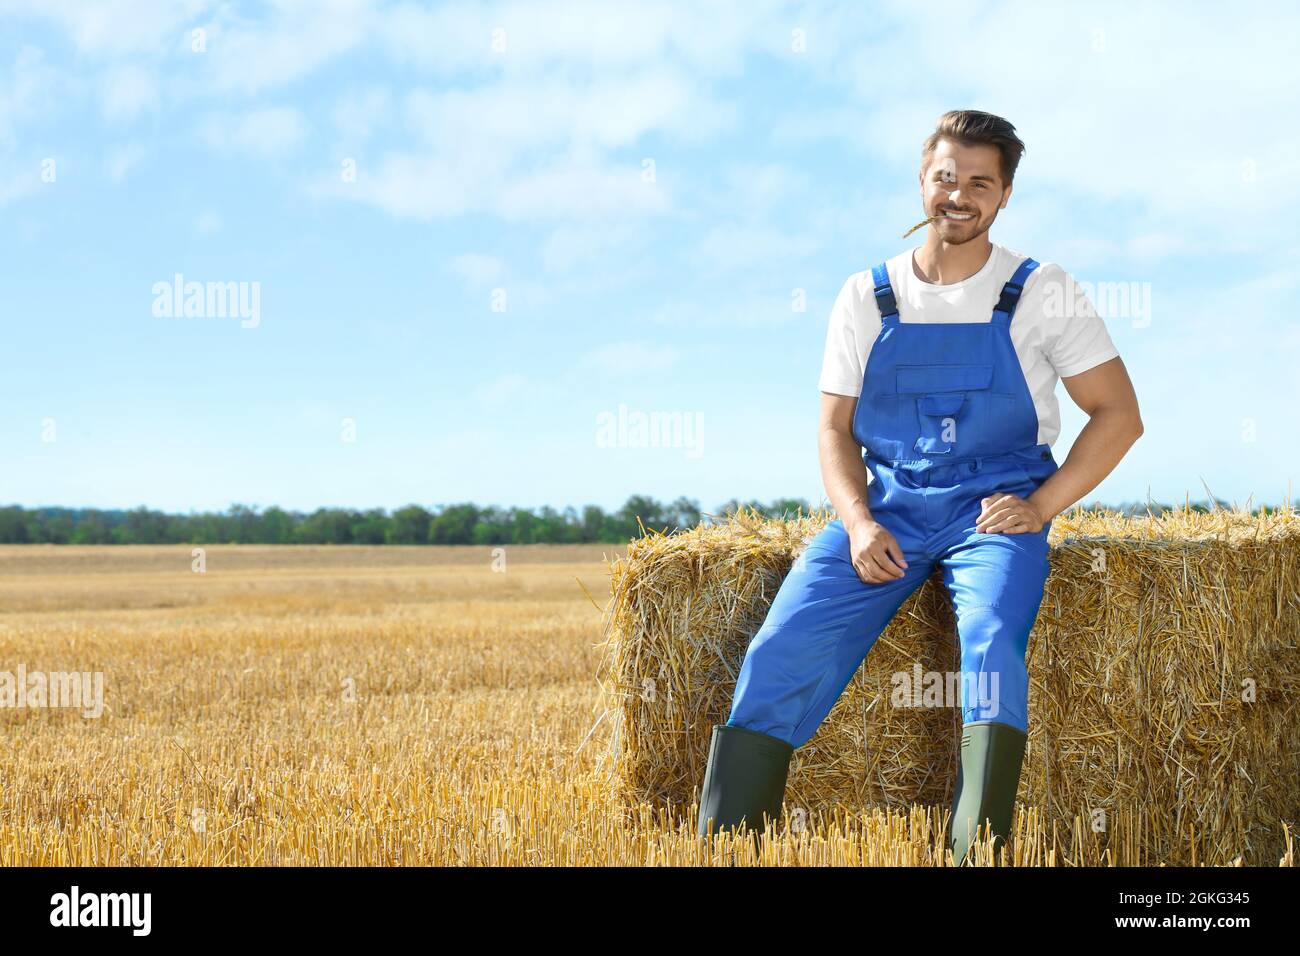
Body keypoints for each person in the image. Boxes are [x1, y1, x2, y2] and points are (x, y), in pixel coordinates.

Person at [696, 109, 1144, 865]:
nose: (959, 196)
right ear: (922, 181)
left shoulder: (1042, 290)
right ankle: (727, 844)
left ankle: (978, 849)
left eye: (979, 183)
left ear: (1004, 195)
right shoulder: (866, 296)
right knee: (781, 646)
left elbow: (1119, 417)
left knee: (992, 644)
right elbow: (834, 431)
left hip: (993, 511)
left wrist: (1039, 506)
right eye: (946, 179)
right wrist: (859, 523)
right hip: (891, 508)